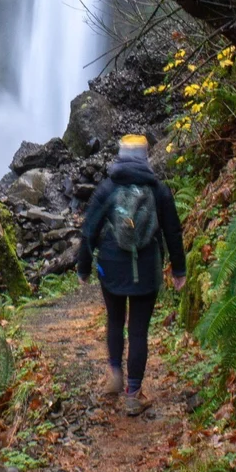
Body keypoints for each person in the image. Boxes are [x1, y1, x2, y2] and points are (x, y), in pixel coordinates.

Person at [77, 134, 186, 416]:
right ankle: (133, 394)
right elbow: (173, 232)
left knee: (115, 320)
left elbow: (89, 230)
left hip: (111, 268)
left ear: (121, 156)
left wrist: (84, 268)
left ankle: (114, 373)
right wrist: (179, 269)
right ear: (146, 157)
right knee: (138, 331)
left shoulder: (108, 188)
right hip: (146, 270)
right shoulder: (159, 190)